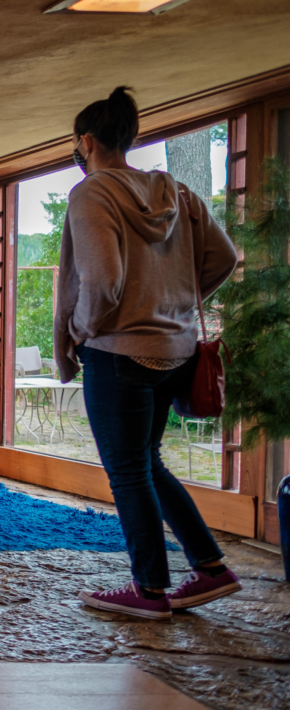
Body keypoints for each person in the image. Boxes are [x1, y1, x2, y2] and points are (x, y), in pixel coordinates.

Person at [55, 87, 241, 620]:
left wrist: (82, 329)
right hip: (176, 351)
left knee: (128, 471)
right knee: (146, 462)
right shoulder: (177, 192)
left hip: (119, 352)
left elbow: (102, 281)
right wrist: (172, 301)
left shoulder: (92, 193)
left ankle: (150, 589)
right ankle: (210, 568)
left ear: (87, 142)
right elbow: (225, 258)